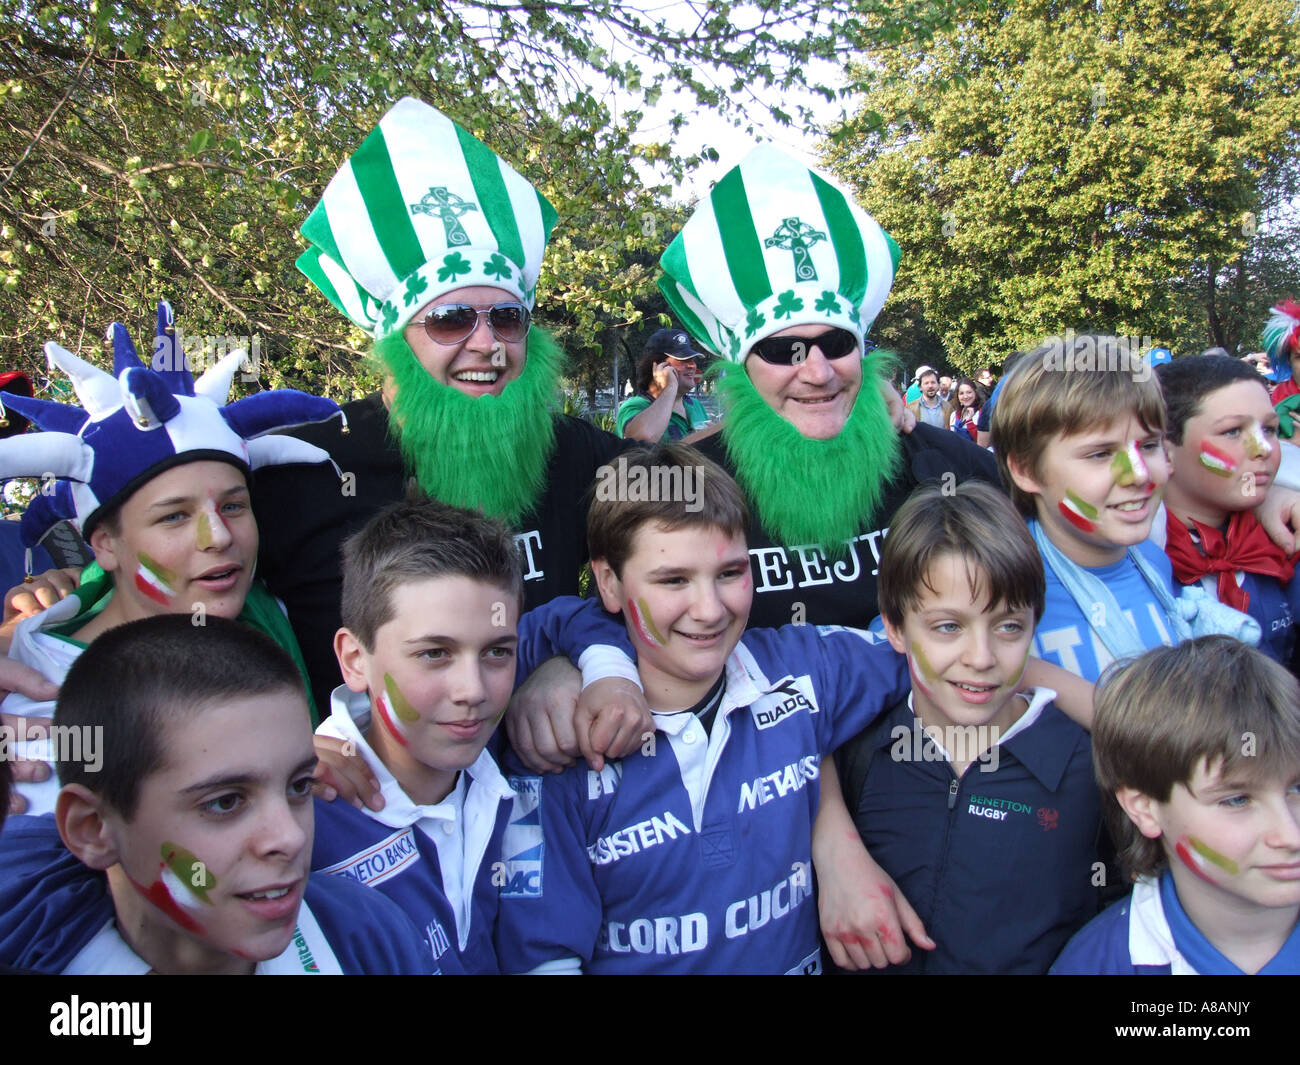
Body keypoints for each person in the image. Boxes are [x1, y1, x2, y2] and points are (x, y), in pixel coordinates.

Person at [493, 445, 913, 974]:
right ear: (609, 583)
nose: (710, 609)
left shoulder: (804, 667)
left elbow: (944, 657)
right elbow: (543, 958)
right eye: (673, 580)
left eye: (731, 573)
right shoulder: (557, 748)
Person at [0, 302, 342, 815]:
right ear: (105, 546)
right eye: (174, 517)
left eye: (232, 505)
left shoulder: (270, 617)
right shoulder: (38, 700)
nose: (218, 536)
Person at [0, 615, 435, 974]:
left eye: (298, 787)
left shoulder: (366, 935)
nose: (291, 837)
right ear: (92, 828)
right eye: (225, 802)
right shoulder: (30, 937)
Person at [835, 480, 1101, 973]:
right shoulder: (858, 754)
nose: (981, 659)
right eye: (948, 627)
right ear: (894, 627)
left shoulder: (1089, 770)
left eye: (1008, 626)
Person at [992, 334, 1256, 685]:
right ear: (1026, 470)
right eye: (1100, 454)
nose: (1139, 474)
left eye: (1149, 445)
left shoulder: (1156, 558)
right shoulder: (997, 587)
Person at [1052, 636, 1300, 974]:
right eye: (1237, 799)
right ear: (1145, 808)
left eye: (1297, 788)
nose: (1291, 835)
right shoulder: (1097, 965)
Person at [1155, 353, 1300, 666]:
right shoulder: (1132, 556)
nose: (1262, 449)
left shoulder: (1288, 537)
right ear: (1165, 451)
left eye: (1270, 430)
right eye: (1233, 431)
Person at [616, 327, 710, 442]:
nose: (692, 366)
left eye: (692, 360)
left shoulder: (696, 405)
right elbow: (643, 438)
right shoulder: (634, 406)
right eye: (683, 360)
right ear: (658, 367)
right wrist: (670, 388)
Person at [948, 377, 982, 441]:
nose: (965, 396)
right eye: (961, 393)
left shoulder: (982, 414)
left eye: (969, 392)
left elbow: (982, 442)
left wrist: (969, 421)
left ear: (975, 393)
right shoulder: (954, 415)